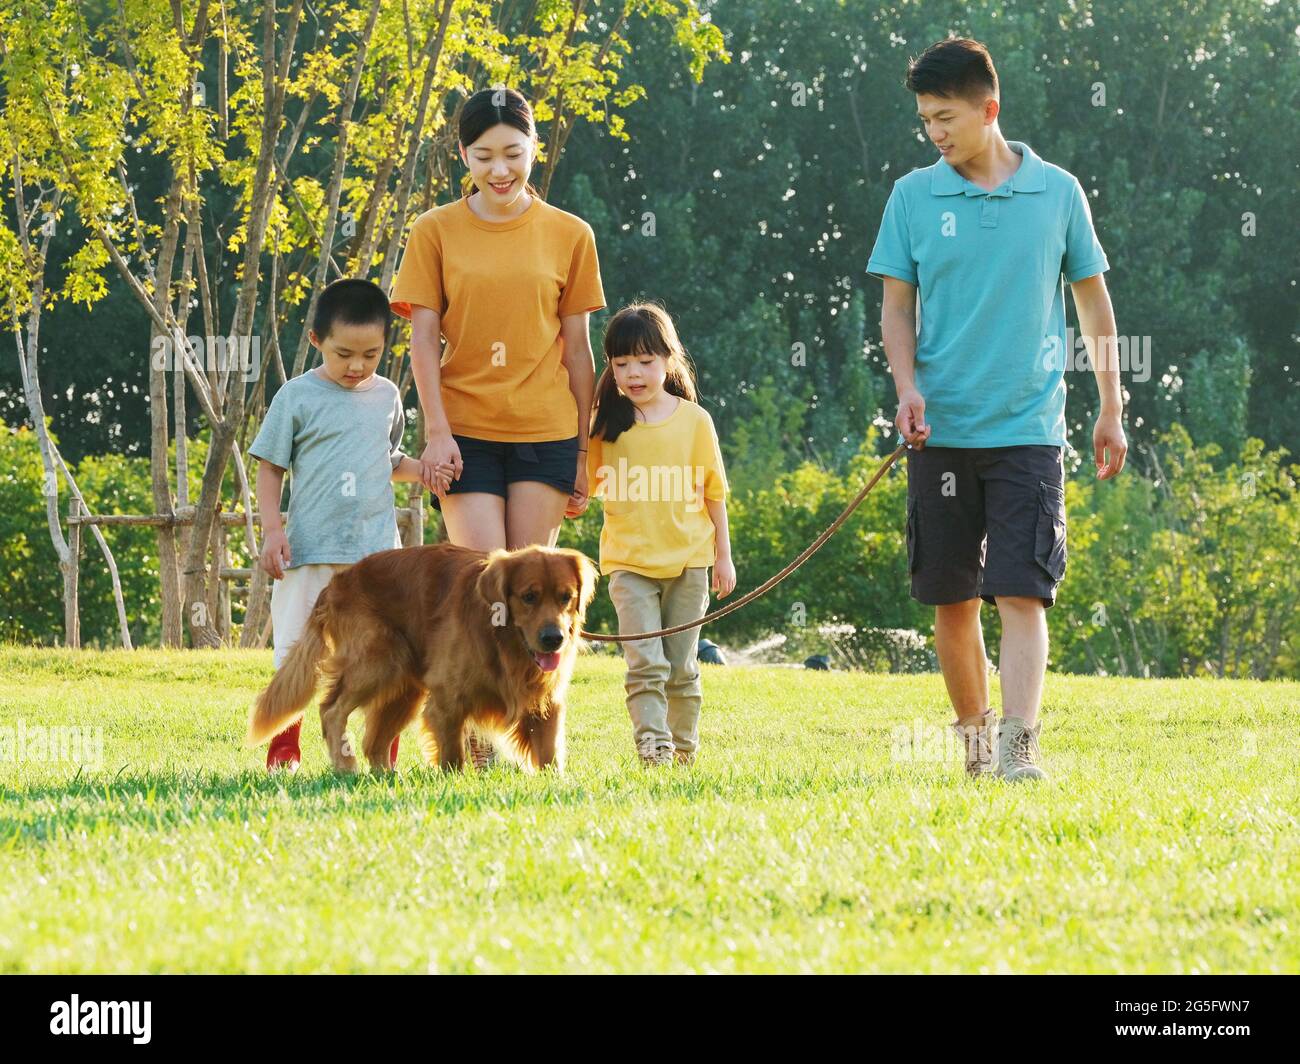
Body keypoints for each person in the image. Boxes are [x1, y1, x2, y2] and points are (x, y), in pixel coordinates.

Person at [866, 38, 1127, 781]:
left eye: (945, 117)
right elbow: (894, 309)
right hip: (940, 432)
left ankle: (1019, 750)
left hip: (1028, 432)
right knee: (952, 602)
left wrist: (1112, 407)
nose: (935, 133)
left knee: (1022, 592)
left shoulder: (1058, 194)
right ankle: (977, 744)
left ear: (991, 108)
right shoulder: (913, 197)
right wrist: (906, 387)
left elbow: (1094, 309)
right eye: (924, 120)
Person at [389, 86, 606, 767]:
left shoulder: (571, 234)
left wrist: (583, 452)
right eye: (484, 156)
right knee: (486, 593)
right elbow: (423, 342)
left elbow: (578, 351)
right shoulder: (434, 230)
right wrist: (437, 432)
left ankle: (541, 745)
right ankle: (475, 746)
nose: (501, 169)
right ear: (463, 154)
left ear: (535, 149)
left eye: (514, 153)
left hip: (546, 430)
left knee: (540, 605)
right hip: (467, 434)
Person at [250, 279, 426, 772]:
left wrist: (426, 469)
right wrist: (272, 530)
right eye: (343, 353)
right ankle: (284, 747)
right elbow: (269, 466)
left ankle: (379, 747)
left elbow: (388, 459)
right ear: (315, 341)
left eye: (370, 355)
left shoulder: (388, 395)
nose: (356, 366)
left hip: (375, 557)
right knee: (293, 647)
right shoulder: (297, 396)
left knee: (382, 653)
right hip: (307, 550)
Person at [585, 303, 736, 767]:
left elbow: (715, 495)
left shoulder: (695, 421)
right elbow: (583, 489)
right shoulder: (604, 425)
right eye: (621, 363)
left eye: (645, 362)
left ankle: (684, 755)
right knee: (645, 665)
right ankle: (655, 753)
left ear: (669, 360)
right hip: (628, 565)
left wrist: (723, 557)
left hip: (690, 563)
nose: (633, 373)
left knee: (682, 668)